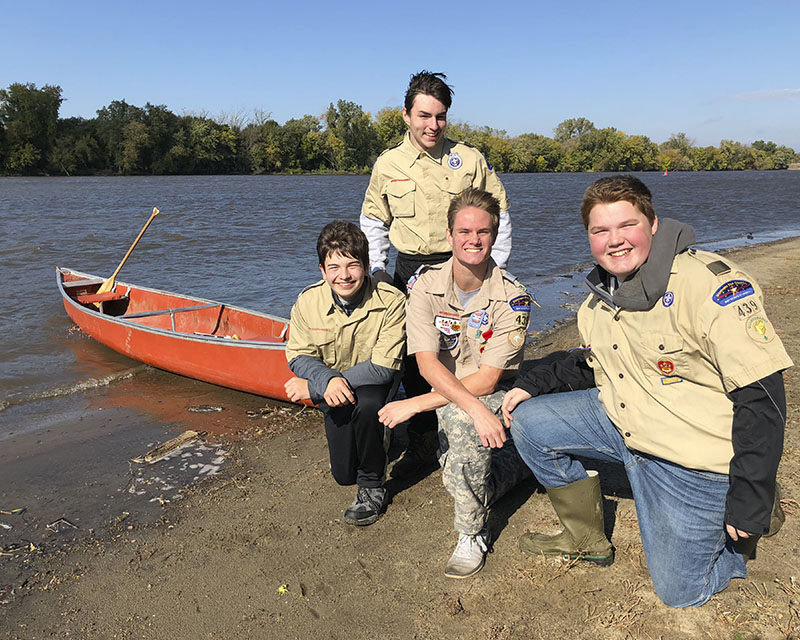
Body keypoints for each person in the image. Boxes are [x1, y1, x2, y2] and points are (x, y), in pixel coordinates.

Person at [502, 175, 792, 607]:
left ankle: (748, 520)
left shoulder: (709, 285)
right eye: (600, 231)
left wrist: (751, 493)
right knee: (528, 423)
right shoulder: (598, 302)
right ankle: (585, 537)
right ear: (588, 238)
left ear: (653, 223)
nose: (614, 241)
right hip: (627, 418)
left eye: (627, 226)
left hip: (691, 458)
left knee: (679, 593)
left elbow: (762, 396)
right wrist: (529, 385)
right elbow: (595, 362)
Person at [361, 70, 513, 478]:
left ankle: (468, 428)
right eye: (424, 115)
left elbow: (499, 216)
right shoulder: (388, 164)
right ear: (406, 115)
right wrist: (377, 273)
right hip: (409, 268)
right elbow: (374, 221)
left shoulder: (470, 159)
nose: (433, 125)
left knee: (466, 349)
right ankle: (425, 440)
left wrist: (493, 271)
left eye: (440, 116)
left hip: (462, 264)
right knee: (417, 356)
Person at [378, 188, 531, 578]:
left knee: (462, 429)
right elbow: (427, 363)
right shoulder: (424, 286)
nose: (473, 240)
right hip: (447, 387)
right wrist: (466, 405)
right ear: (449, 235)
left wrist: (416, 405)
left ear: (494, 236)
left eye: (482, 232)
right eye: (464, 231)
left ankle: (471, 533)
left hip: (494, 390)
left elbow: (489, 378)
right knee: (457, 463)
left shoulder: (514, 298)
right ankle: (517, 466)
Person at [284, 221, 406, 526]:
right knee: (342, 474)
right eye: (334, 267)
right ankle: (373, 446)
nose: (344, 275)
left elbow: (383, 366)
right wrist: (327, 382)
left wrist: (314, 389)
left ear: (366, 266)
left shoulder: (392, 301)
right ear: (322, 271)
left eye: (353, 265)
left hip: (375, 383)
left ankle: (372, 487)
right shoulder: (307, 302)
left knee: (367, 406)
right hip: (331, 386)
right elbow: (299, 355)